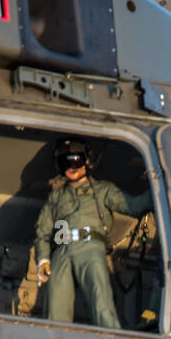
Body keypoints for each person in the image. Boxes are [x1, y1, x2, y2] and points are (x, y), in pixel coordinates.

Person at [33, 138, 153, 328]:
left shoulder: (103, 190)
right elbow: (43, 231)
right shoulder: (56, 196)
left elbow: (134, 206)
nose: (72, 167)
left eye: (77, 162)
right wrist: (43, 259)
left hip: (90, 247)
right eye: (66, 163)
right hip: (61, 251)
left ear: (87, 162)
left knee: (100, 300)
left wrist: (160, 188)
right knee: (55, 306)